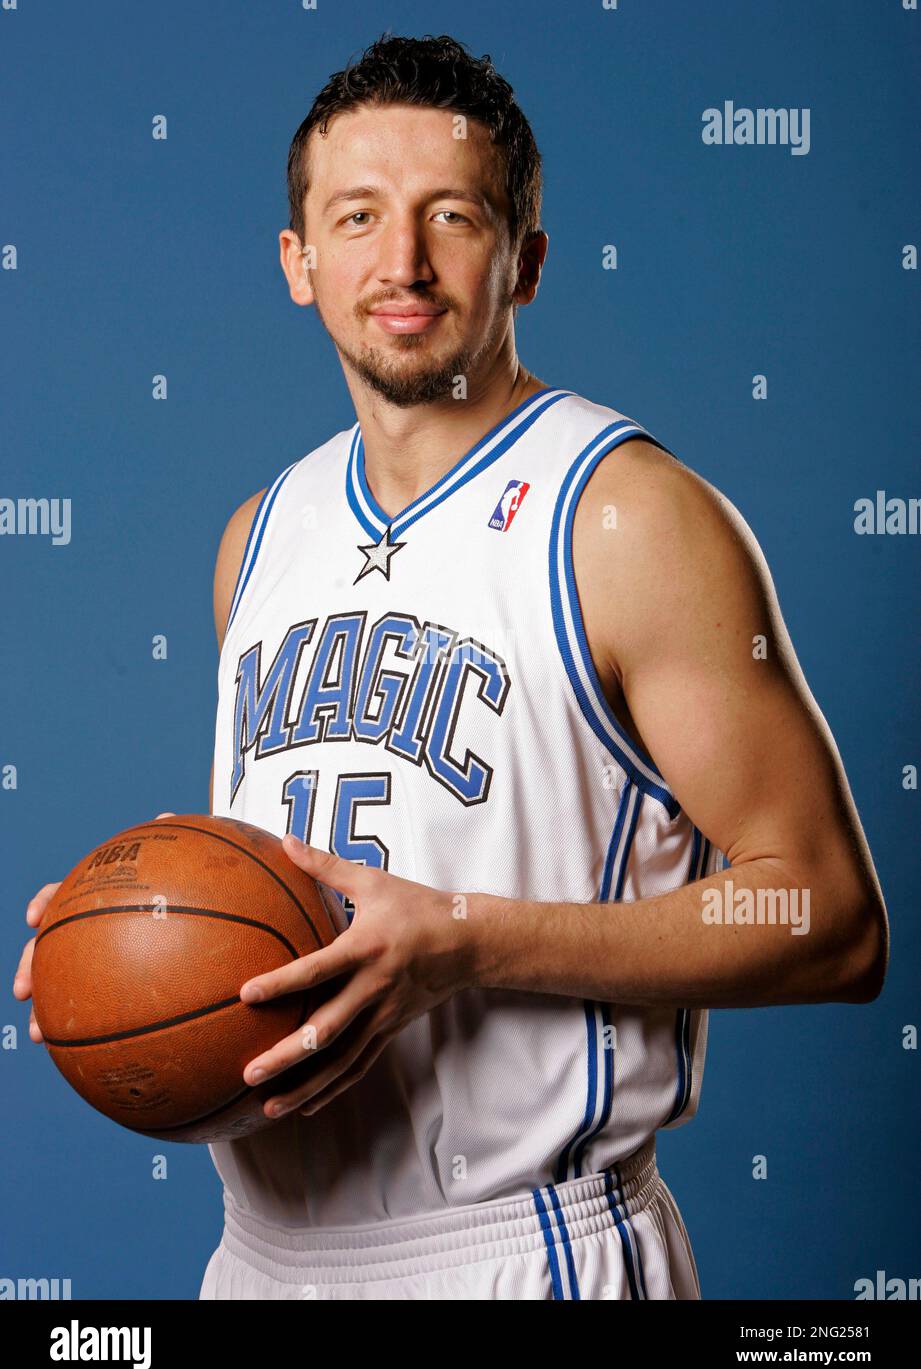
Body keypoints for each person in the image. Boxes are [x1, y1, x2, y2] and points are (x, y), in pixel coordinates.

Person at [14, 33, 888, 1301]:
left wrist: (464, 943)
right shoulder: (256, 537)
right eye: (357, 217)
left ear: (524, 258)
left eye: (453, 217)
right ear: (298, 263)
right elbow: (298, 873)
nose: (402, 263)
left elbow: (829, 920)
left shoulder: (628, 519)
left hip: (521, 1250)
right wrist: (132, 929)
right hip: (258, 1261)